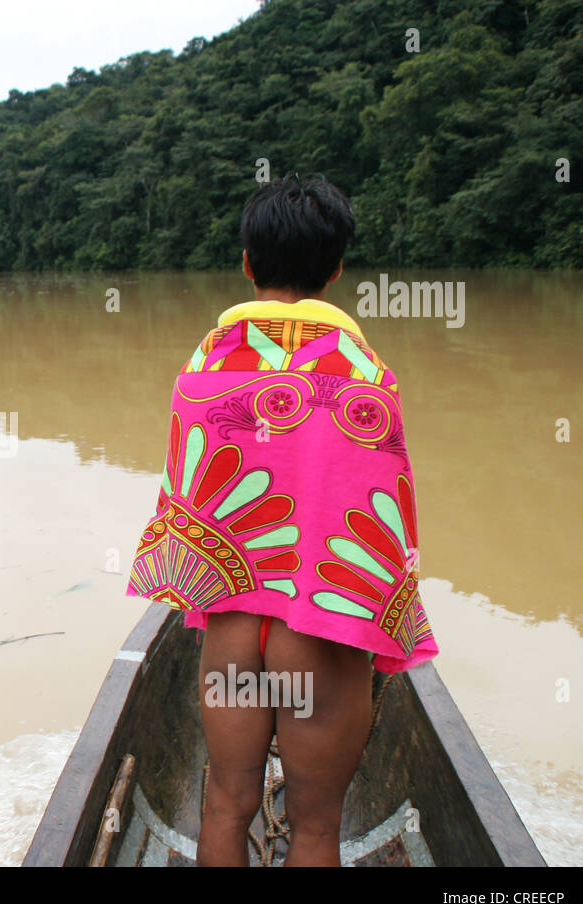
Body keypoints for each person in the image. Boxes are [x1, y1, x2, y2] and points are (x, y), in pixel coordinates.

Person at [125, 174, 438, 866]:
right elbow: (382, 527)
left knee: (226, 803)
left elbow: (192, 505)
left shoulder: (205, 365)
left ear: (246, 264)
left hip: (235, 632)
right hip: (320, 635)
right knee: (317, 827)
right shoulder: (368, 374)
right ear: (335, 269)